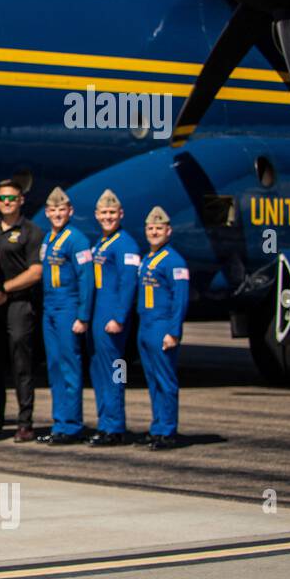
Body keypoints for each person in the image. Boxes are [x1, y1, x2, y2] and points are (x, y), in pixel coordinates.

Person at [0, 179, 43, 442]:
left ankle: (24, 422)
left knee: (21, 367)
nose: (6, 203)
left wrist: (4, 289)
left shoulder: (31, 231)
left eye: (11, 198)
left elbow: (35, 271)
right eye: (2, 198)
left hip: (18, 304)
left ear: (21, 201)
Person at [38, 186, 95, 445]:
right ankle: (59, 422)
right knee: (54, 366)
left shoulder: (77, 239)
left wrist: (82, 316)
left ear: (70, 211)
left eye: (62, 210)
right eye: (53, 210)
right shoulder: (48, 238)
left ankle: (72, 425)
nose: (57, 214)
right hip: (50, 307)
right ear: (48, 212)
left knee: (70, 366)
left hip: (68, 306)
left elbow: (86, 278)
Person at [88, 189, 141, 447]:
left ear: (121, 214)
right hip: (99, 313)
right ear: (97, 215)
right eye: (104, 213)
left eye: (112, 213)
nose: (108, 217)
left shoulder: (125, 244)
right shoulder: (102, 242)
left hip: (112, 316)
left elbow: (129, 283)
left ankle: (116, 426)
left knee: (115, 371)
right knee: (99, 370)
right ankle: (104, 422)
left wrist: (119, 317)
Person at [136, 206, 188, 450]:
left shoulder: (174, 261)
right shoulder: (148, 258)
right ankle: (157, 426)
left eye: (159, 228)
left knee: (165, 380)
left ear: (169, 231)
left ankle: (168, 430)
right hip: (146, 325)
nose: (154, 232)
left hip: (162, 325)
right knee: (153, 379)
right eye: (150, 228)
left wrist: (174, 331)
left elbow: (180, 299)